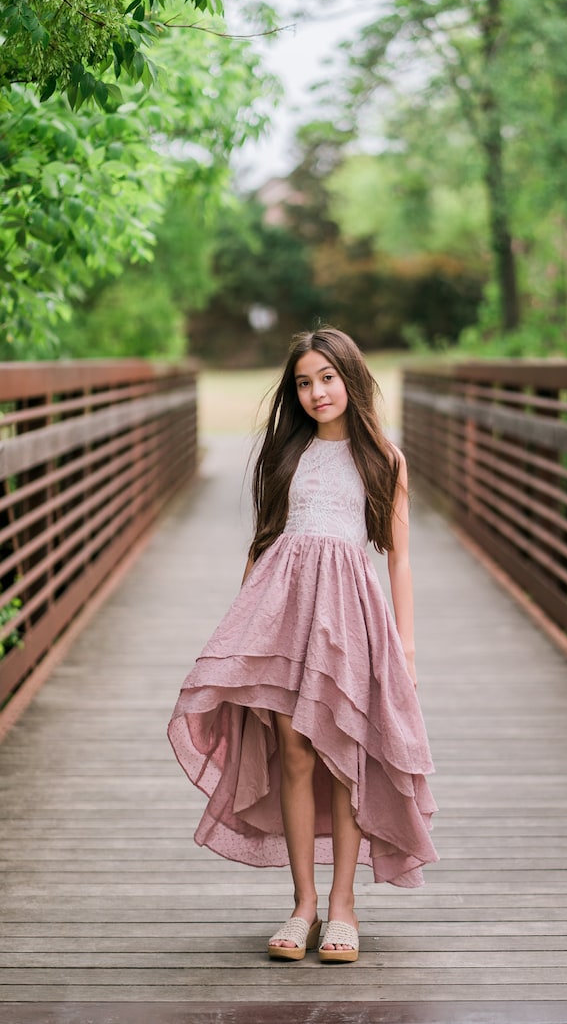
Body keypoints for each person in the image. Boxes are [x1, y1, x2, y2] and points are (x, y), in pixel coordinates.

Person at [167, 327, 438, 963]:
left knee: (343, 754)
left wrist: (406, 648)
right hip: (284, 615)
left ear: (352, 378)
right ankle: (304, 902)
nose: (317, 392)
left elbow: (399, 561)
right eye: (304, 382)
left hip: (348, 619)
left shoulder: (385, 460)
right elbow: (263, 545)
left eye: (327, 377)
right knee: (291, 751)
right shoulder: (286, 456)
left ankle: (344, 904)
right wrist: (242, 635)